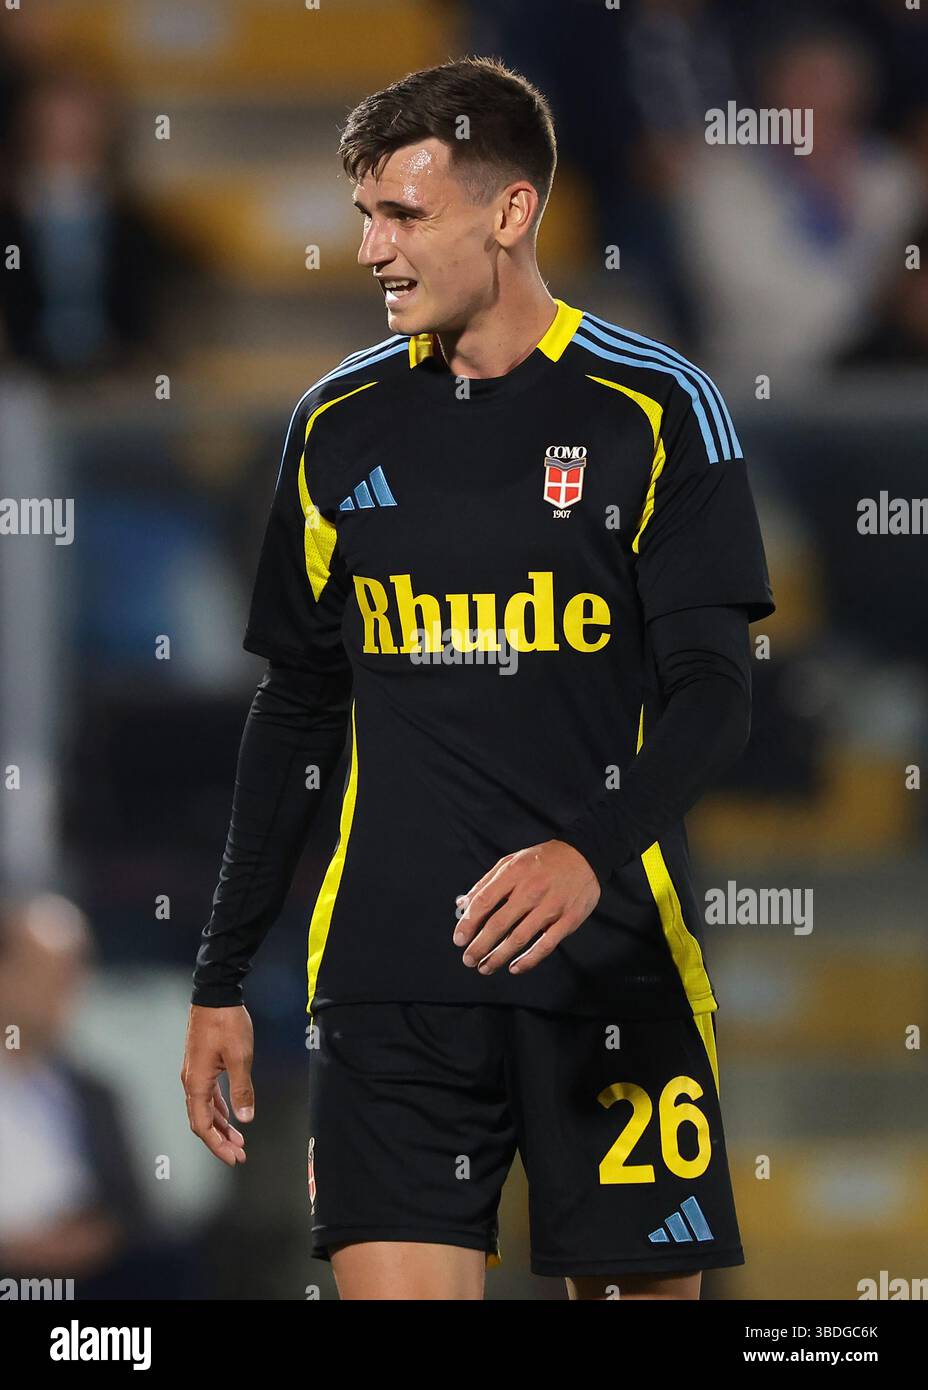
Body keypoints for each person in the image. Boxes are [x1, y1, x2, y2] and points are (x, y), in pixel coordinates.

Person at [181, 57, 774, 1302]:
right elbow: (295, 708)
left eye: (403, 214)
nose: (371, 249)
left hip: (609, 968)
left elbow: (715, 692)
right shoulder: (332, 427)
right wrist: (223, 975)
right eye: (363, 216)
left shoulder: (658, 408)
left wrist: (583, 848)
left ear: (510, 215)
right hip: (391, 980)